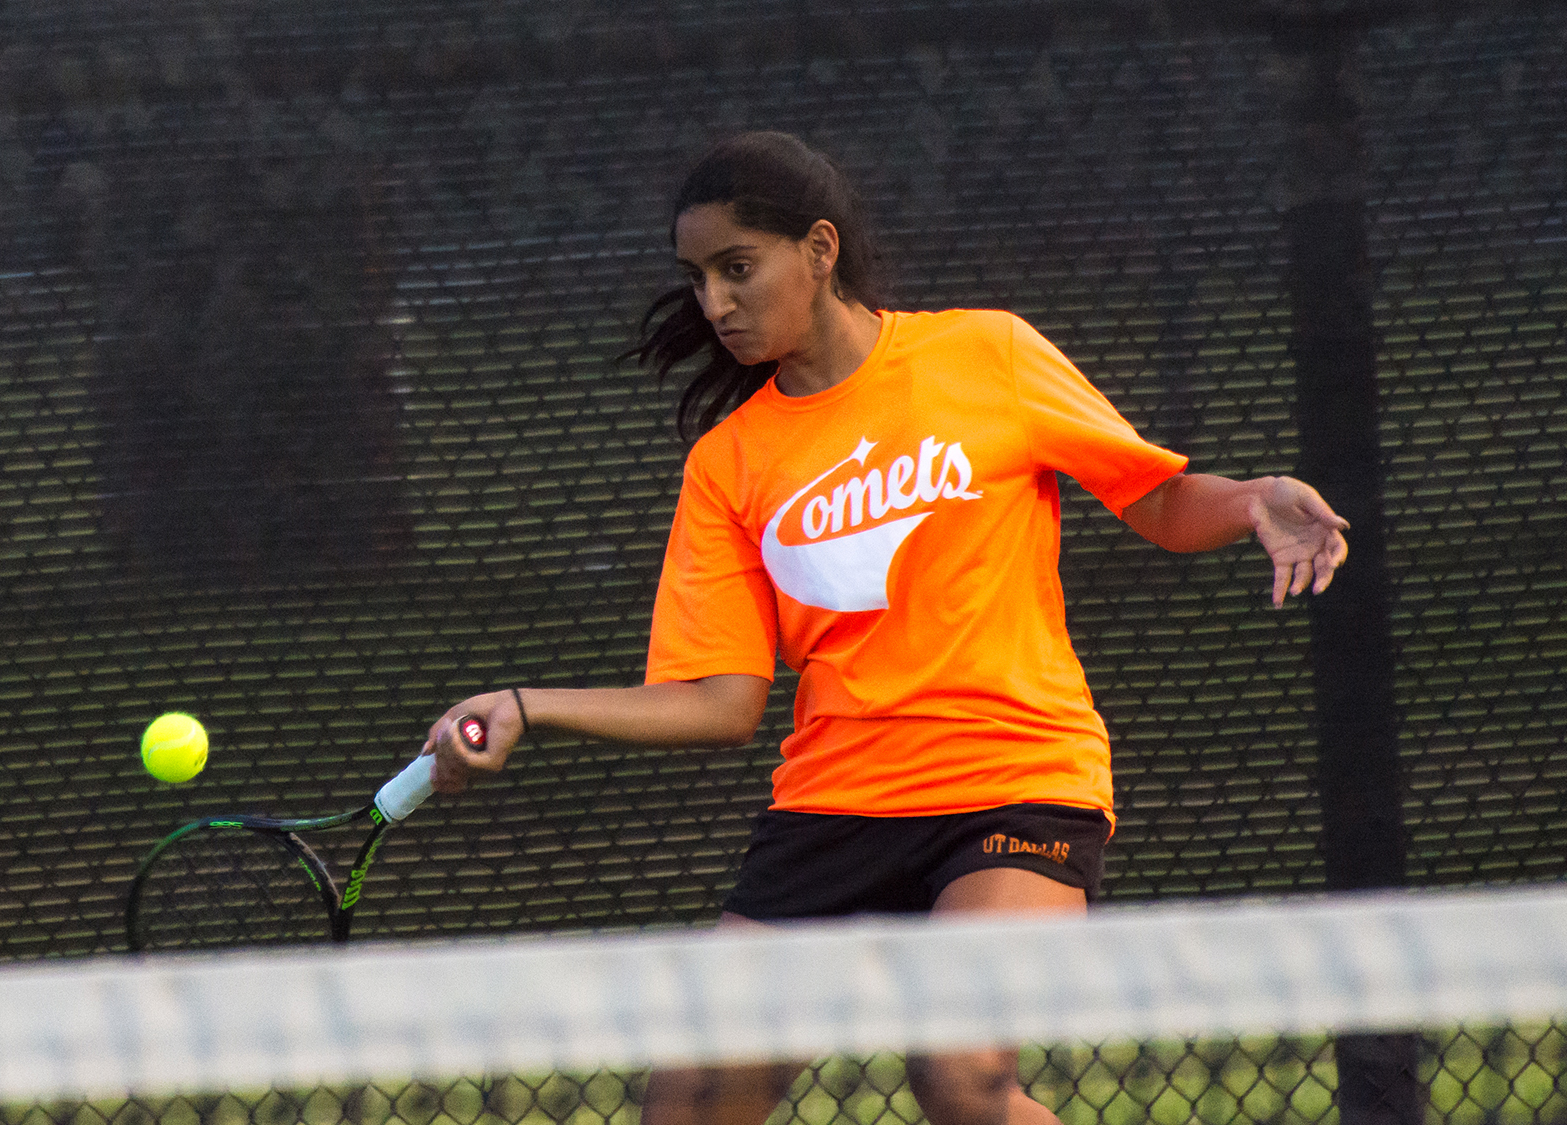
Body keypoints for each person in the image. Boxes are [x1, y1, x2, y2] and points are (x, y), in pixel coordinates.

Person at [419, 131, 1349, 1125]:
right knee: (687, 1100)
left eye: (738, 269)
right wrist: (526, 706)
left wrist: (1250, 496)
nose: (714, 304)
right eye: (697, 278)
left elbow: (1154, 501)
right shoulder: (729, 464)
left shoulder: (986, 353)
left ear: (818, 249)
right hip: (833, 810)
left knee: (959, 1073)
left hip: (1013, 779)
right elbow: (720, 701)